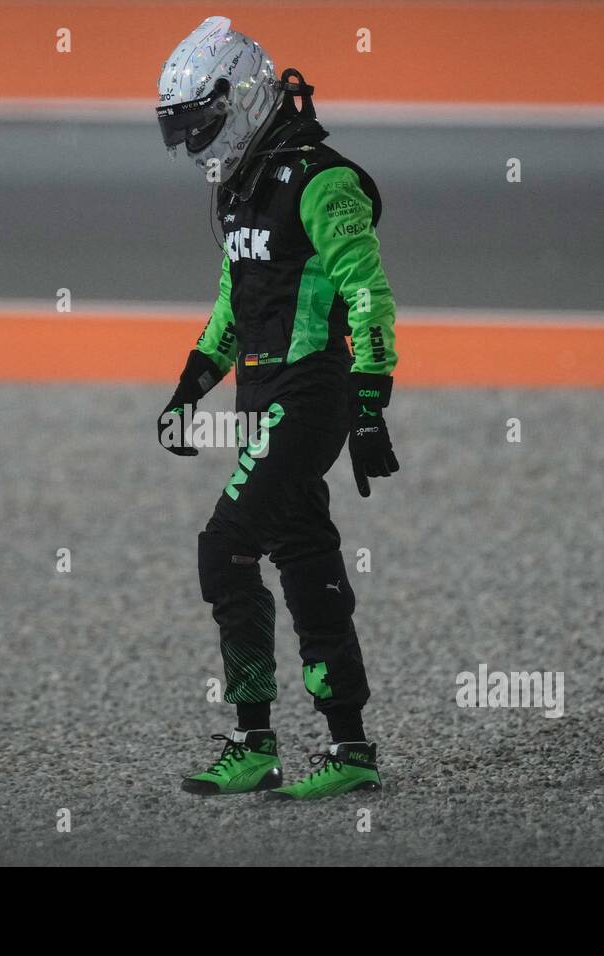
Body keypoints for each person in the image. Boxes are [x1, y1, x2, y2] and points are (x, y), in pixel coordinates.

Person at [155, 16, 399, 800]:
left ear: (246, 96)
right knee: (305, 558)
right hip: (261, 395)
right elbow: (237, 295)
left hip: (309, 394)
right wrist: (193, 381)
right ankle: (350, 749)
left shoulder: (326, 183)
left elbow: (367, 292)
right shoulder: (239, 184)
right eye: (184, 130)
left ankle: (253, 738)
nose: (197, 144)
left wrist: (368, 404)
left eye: (203, 123)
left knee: (224, 546)